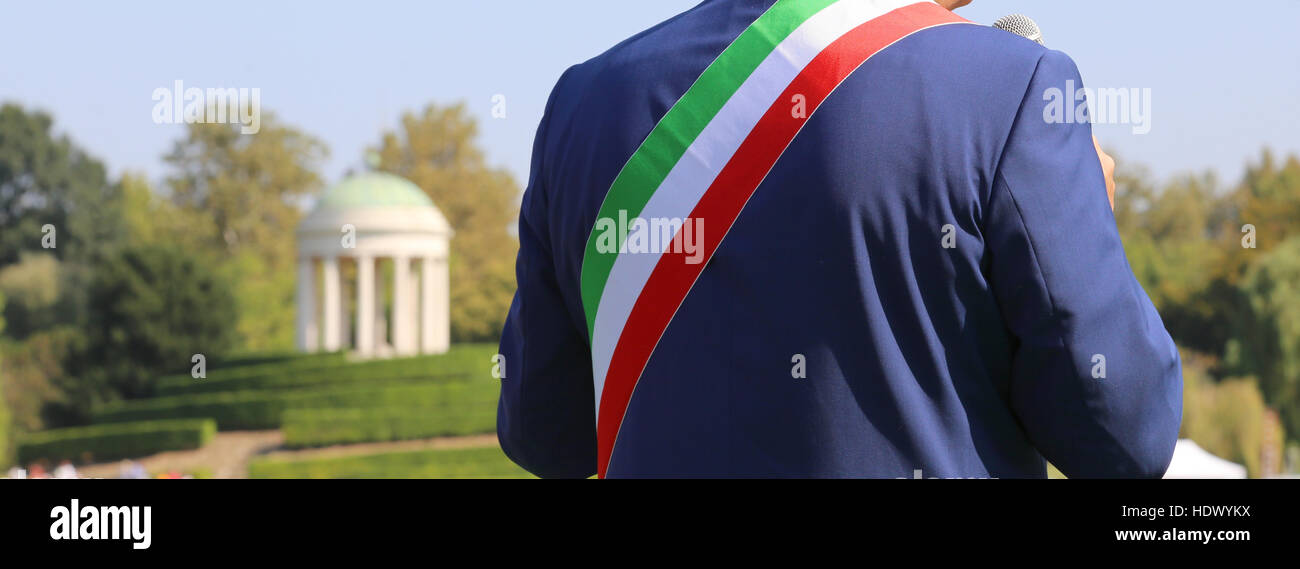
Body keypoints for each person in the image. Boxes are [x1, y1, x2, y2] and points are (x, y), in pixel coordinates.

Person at [497, 0, 1181, 478]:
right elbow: (1124, 438)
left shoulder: (583, 104)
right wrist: (1083, 221)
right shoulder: (1013, 84)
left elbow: (545, 434)